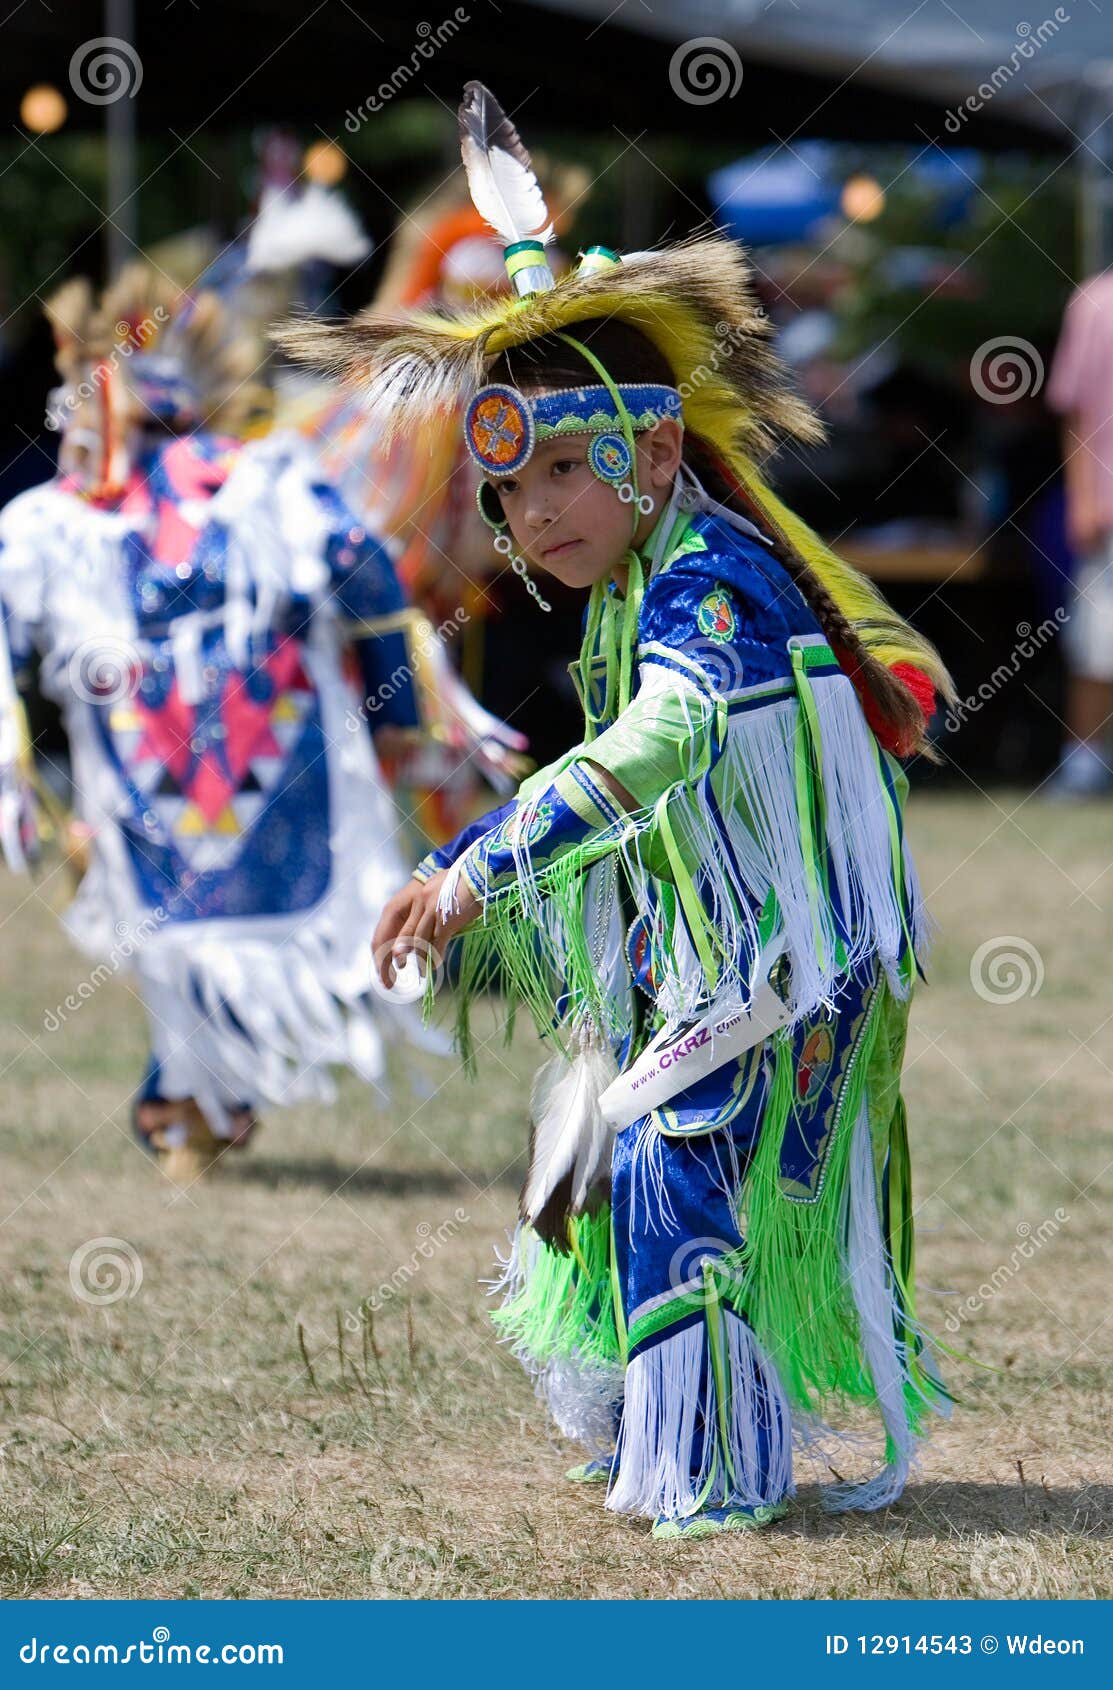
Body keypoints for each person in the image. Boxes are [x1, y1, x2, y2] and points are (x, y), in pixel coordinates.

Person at [292, 83, 957, 1539]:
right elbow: (627, 760)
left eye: (560, 477)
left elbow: (661, 740)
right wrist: (482, 861)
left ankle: (712, 1457)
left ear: (653, 454)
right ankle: (663, 1421)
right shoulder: (640, 577)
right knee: (593, 1157)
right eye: (507, 492)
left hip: (792, 956)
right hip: (710, 943)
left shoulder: (711, 584)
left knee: (670, 1150)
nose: (534, 519)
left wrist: (476, 874)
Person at [0, 264, 441, 1182]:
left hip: (156, 778)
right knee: (203, 938)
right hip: (275, 761)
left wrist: (15, 756)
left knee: (180, 936)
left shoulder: (56, 519)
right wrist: (397, 712)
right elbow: (367, 575)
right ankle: (197, 1098)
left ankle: (191, 1099)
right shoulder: (268, 481)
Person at [1045, 272, 1113, 798]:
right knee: (1096, 646)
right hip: (1108, 507)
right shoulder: (1094, 302)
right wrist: (1083, 499)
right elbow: (1075, 413)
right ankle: (1084, 763)